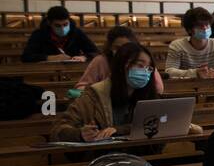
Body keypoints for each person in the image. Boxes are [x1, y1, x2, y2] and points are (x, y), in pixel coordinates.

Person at [50, 44, 197, 142]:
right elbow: (58, 130)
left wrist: (119, 130)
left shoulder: (150, 96)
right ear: (122, 65)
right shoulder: (93, 96)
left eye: (149, 68)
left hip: (145, 160)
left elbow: (155, 126)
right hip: (103, 161)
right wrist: (80, 134)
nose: (145, 72)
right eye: (140, 65)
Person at [75, 26, 164, 93]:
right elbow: (80, 88)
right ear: (110, 47)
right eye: (118, 48)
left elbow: (159, 89)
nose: (123, 52)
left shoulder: (142, 60)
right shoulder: (101, 61)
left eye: (127, 47)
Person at [21, 6, 98, 63]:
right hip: (47, 71)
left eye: (65, 24)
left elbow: (96, 52)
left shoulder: (76, 32)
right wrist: (49, 58)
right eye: (58, 25)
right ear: (49, 23)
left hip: (72, 70)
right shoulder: (39, 34)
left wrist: (84, 57)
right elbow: (26, 57)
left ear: (69, 20)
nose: (62, 28)